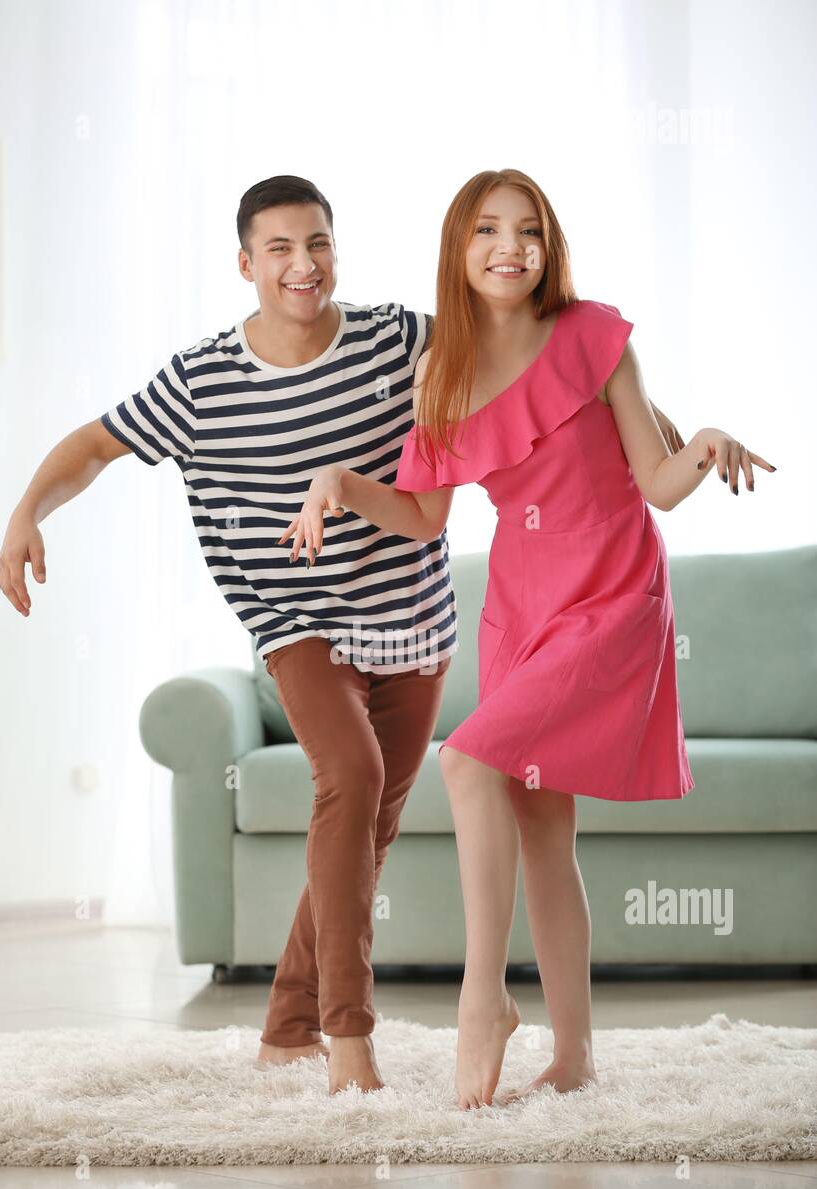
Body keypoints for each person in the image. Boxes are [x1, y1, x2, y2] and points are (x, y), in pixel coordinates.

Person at [277, 167, 775, 1110]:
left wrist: (704, 441)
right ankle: (577, 1055)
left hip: (614, 594)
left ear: (548, 248)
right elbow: (425, 517)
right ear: (458, 253)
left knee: (465, 762)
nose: (510, 248)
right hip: (520, 604)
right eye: (488, 232)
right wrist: (340, 480)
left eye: (528, 231)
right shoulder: (446, 375)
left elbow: (658, 483)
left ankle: (482, 999)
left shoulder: (593, 337)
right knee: (545, 831)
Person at [0, 174, 456, 1097]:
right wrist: (22, 514)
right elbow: (93, 446)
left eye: (318, 243)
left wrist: (638, 413)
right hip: (294, 623)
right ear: (246, 264)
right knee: (352, 779)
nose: (303, 264)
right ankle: (346, 1037)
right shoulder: (203, 379)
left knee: (370, 825)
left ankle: (287, 1026)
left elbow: (521, 356)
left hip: (412, 614)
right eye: (280, 248)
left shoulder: (399, 337)